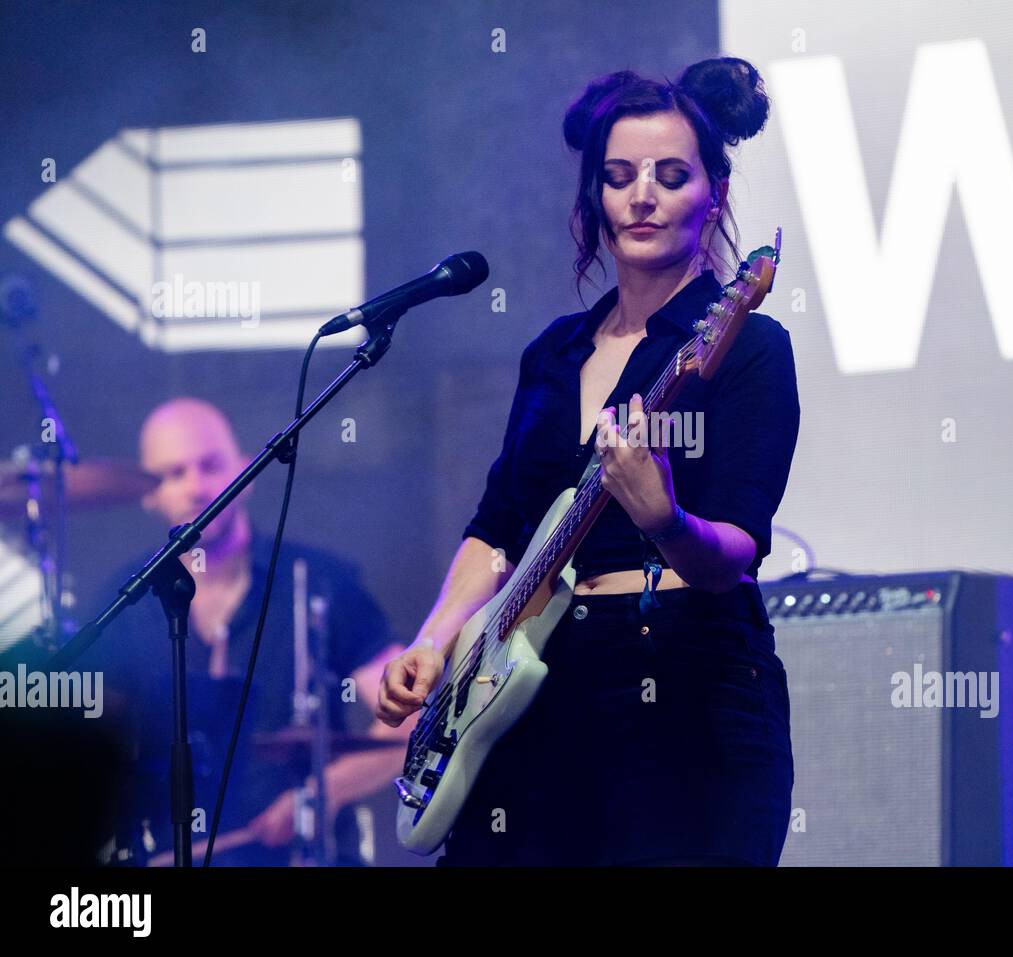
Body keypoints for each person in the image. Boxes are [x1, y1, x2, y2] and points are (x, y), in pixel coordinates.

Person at [377, 57, 800, 866]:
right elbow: (497, 528)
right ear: (593, 198)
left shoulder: (747, 344)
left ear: (713, 192)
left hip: (686, 683)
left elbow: (738, 550)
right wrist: (433, 641)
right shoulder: (553, 354)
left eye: (671, 175)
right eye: (619, 176)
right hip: (534, 687)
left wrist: (663, 519)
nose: (641, 195)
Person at [89, 398, 409, 865]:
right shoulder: (123, 601)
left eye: (210, 465)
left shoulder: (322, 580)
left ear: (246, 472)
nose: (197, 487)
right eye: (173, 474)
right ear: (148, 494)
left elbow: (412, 720)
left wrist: (325, 791)